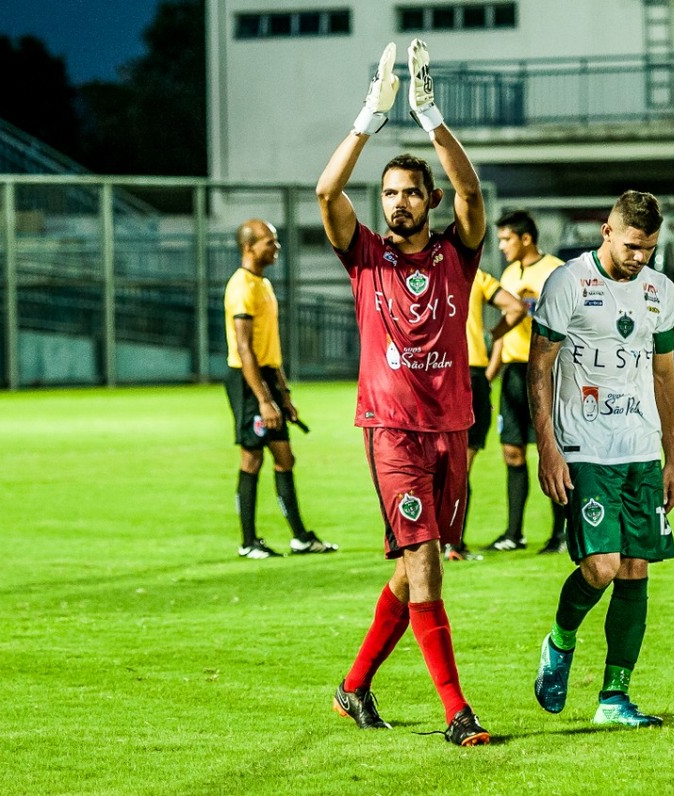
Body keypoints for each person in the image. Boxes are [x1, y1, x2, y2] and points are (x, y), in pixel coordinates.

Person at [315, 39, 490, 746]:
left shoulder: (457, 251)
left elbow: (475, 194)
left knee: (411, 568)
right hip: (390, 429)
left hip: (453, 427)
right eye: (389, 193)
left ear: (431, 201)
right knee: (424, 567)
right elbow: (328, 194)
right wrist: (367, 118)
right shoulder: (364, 255)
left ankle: (354, 687)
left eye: (410, 191)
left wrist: (429, 115)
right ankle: (457, 712)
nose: (397, 202)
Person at [527, 190, 674, 727]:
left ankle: (614, 697)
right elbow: (539, 366)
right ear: (607, 231)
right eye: (634, 246)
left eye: (650, 249)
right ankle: (560, 640)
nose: (641, 258)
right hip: (585, 447)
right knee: (601, 567)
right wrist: (547, 446)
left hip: (640, 449)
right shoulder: (567, 284)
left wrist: (672, 457)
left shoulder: (661, 291)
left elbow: (664, 374)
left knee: (636, 567)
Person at [223, 219, 338, 559]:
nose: (276, 247)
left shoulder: (263, 285)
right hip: (248, 382)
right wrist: (263, 400)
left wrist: (283, 395)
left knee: (285, 458)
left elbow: (270, 349)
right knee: (252, 457)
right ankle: (248, 542)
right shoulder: (241, 286)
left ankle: (300, 538)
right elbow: (244, 349)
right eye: (269, 242)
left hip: (268, 378)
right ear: (248, 247)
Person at [486, 210, 568, 555]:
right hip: (514, 374)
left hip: (547, 373)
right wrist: (491, 373)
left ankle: (561, 534)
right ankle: (513, 533)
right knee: (512, 452)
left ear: (526, 238)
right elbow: (506, 327)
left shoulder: (556, 271)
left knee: (553, 452)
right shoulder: (508, 272)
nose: (502, 245)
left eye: (507, 239)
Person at [444, 267, 525, 562]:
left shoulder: (421, 271)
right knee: (462, 466)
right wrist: (494, 335)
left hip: (433, 370)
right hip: (471, 373)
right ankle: (453, 543)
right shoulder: (473, 273)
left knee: (430, 463)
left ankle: (420, 541)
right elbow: (515, 308)